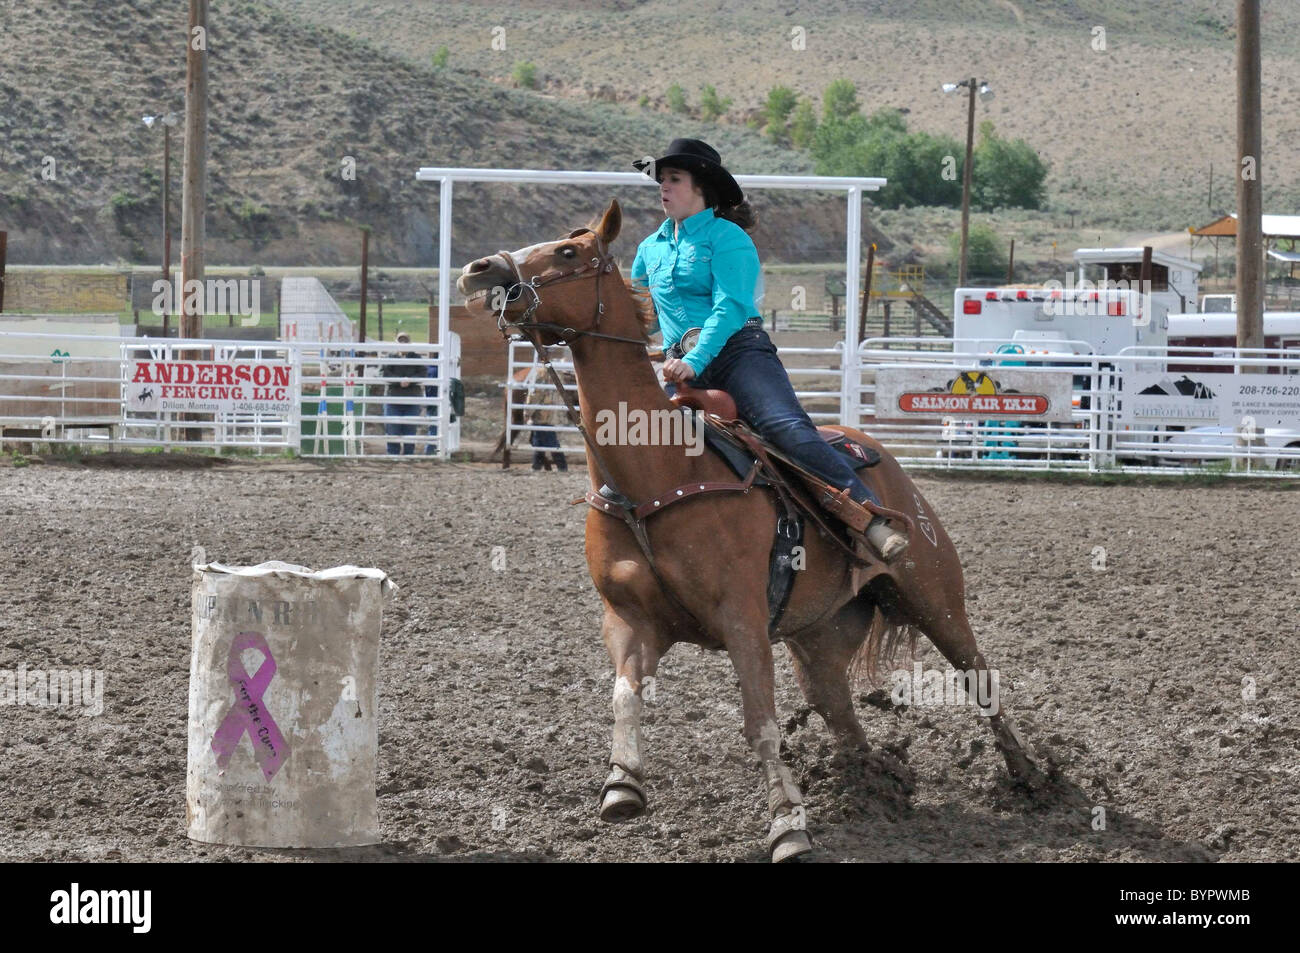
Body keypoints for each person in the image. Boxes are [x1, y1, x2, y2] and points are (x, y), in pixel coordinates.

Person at [629, 138, 907, 561]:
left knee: (785, 428)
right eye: (660, 180)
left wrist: (694, 360)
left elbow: (730, 306)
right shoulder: (649, 248)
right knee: (645, 440)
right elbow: (642, 312)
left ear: (701, 187)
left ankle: (869, 517)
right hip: (680, 363)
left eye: (673, 179)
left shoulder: (728, 238)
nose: (663, 188)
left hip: (740, 353)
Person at [382, 331, 422, 455]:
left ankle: (409, 454)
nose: (403, 343)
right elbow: (384, 373)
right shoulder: (390, 357)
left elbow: (422, 373)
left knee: (410, 429)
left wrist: (411, 380)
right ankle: (393, 454)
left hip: (412, 397)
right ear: (396, 342)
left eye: (405, 341)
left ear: (409, 343)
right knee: (392, 428)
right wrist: (398, 381)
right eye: (401, 340)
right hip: (393, 397)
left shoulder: (416, 358)